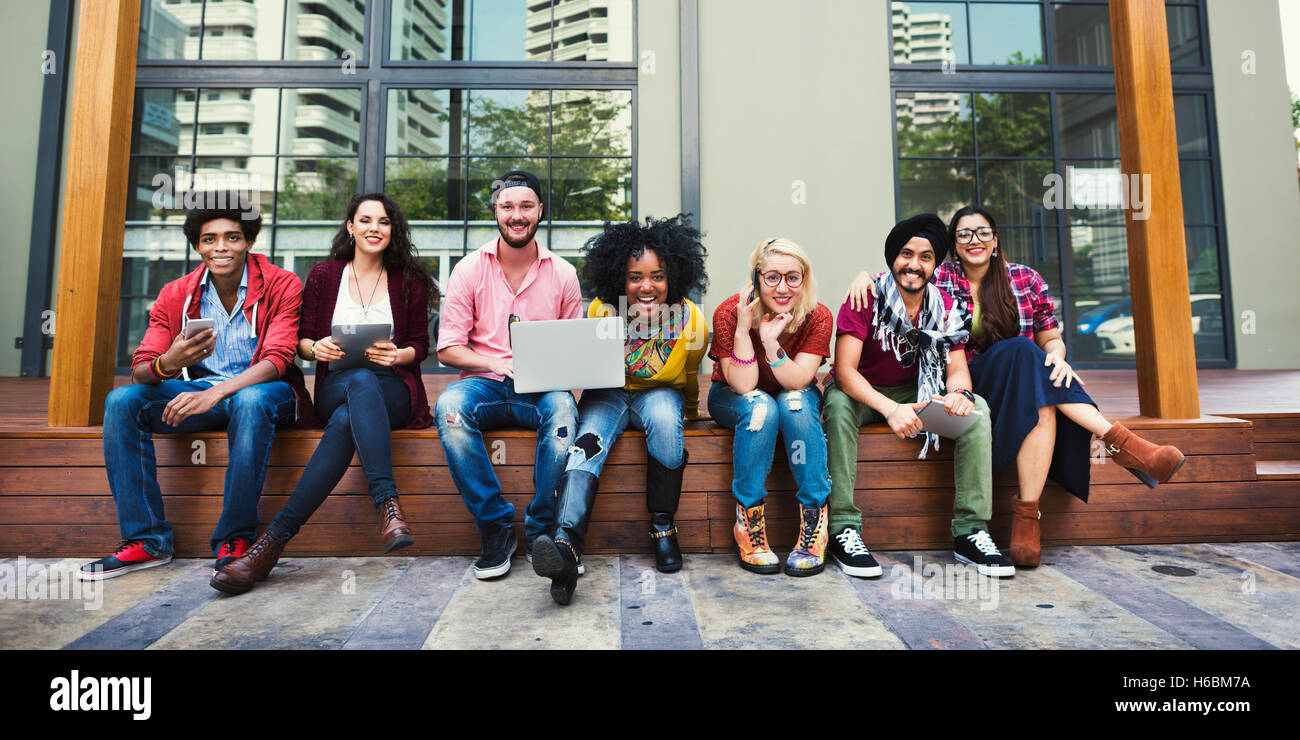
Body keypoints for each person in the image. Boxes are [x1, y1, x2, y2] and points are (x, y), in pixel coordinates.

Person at [845, 205, 1185, 567]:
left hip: (1020, 383)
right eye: (964, 234)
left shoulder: (1025, 279)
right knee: (1026, 354)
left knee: (1040, 383)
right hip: (963, 382)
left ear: (995, 240)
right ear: (953, 245)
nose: (974, 240)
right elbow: (899, 271)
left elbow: (1050, 338)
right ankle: (1128, 447)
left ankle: (1028, 518)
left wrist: (1057, 355)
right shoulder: (939, 276)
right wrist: (862, 276)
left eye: (983, 233)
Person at [211, 193, 437, 594]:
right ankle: (387, 505)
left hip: (394, 390)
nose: (374, 228)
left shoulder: (410, 280)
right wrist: (316, 349)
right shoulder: (323, 275)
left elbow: (421, 344)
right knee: (356, 386)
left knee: (353, 410)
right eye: (365, 220)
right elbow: (301, 338)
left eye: (383, 222)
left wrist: (397, 353)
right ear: (350, 226)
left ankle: (270, 544)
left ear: (392, 229)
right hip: (336, 384)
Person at [77, 192, 310, 581]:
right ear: (197, 246)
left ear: (249, 242)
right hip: (201, 393)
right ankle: (146, 541)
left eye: (232, 237)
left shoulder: (282, 284)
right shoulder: (175, 293)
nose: (221, 247)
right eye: (209, 239)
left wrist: (215, 392)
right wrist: (171, 362)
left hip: (268, 393)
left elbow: (278, 359)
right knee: (122, 400)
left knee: (250, 400)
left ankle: (235, 538)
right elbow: (141, 371)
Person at [823, 214, 1015, 578]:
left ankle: (971, 531)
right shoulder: (865, 297)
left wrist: (959, 393)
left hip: (919, 393)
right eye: (906, 254)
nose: (914, 264)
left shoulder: (944, 305)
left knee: (978, 411)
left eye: (925, 257)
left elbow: (957, 367)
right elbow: (845, 372)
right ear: (893, 257)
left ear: (935, 264)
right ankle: (844, 529)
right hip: (864, 393)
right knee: (836, 402)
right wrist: (890, 408)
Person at [531, 215, 709, 605]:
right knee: (585, 445)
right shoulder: (600, 309)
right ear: (619, 279)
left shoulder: (692, 321)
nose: (647, 286)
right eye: (635, 277)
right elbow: (589, 368)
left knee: (665, 421)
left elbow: (691, 374)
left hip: (659, 393)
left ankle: (663, 528)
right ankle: (565, 545)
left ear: (674, 276)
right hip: (607, 395)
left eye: (658, 276)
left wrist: (691, 414)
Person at [434, 170, 582, 579]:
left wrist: (570, 397)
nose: (517, 215)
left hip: (541, 387)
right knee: (449, 407)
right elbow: (448, 349)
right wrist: (493, 363)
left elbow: (575, 351)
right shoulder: (468, 270)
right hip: (486, 384)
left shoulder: (564, 274)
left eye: (525, 206)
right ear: (496, 212)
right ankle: (496, 528)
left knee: (565, 411)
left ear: (539, 211)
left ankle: (542, 532)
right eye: (507, 207)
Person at [707, 238, 833, 576]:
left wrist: (771, 342)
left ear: (804, 279)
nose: (782, 287)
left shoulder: (818, 316)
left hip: (793, 389)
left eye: (793, 277)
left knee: (793, 404)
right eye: (772, 277)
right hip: (733, 395)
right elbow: (744, 385)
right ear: (756, 277)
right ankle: (748, 523)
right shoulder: (728, 312)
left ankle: (814, 521)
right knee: (761, 407)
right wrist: (746, 329)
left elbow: (799, 380)